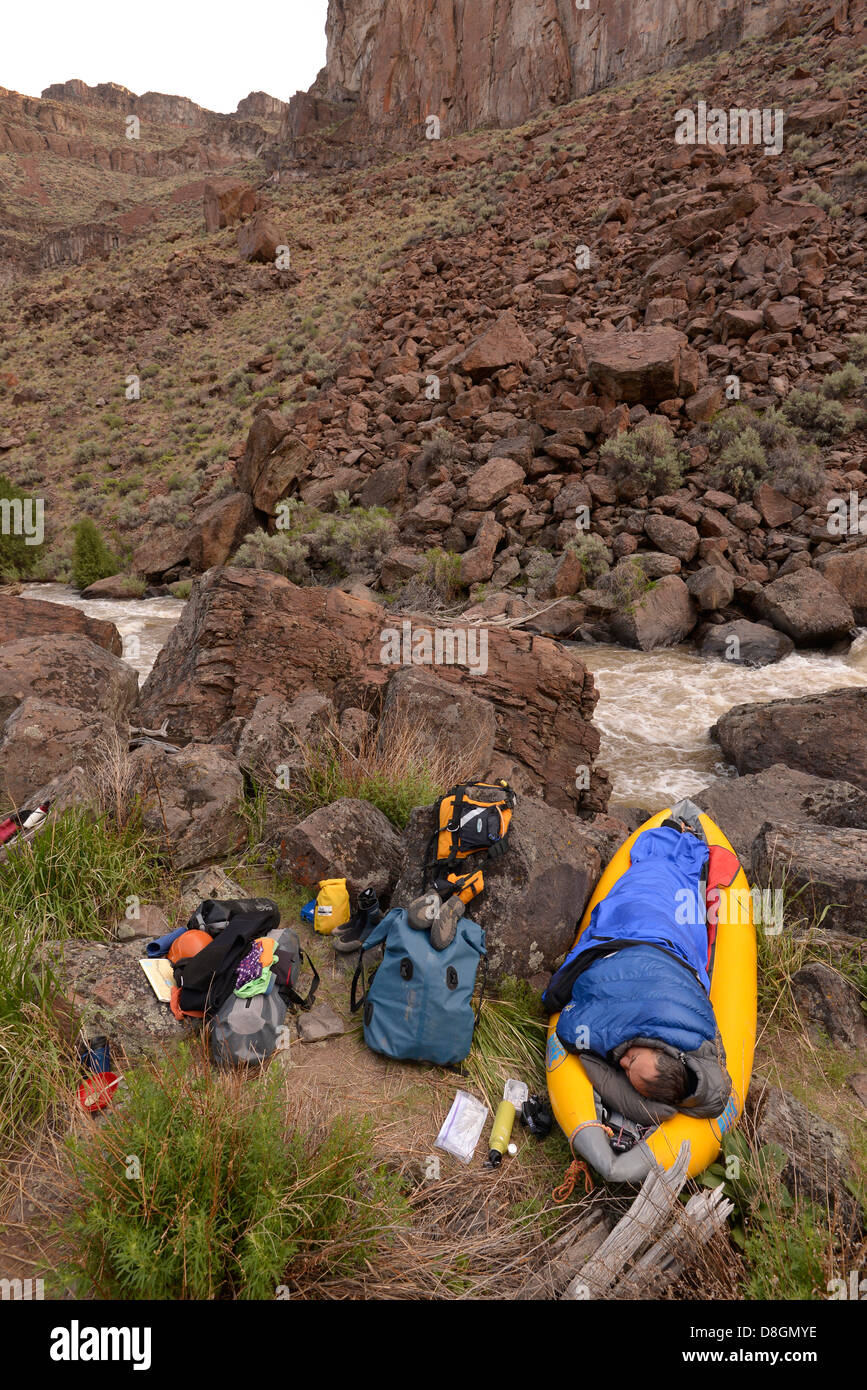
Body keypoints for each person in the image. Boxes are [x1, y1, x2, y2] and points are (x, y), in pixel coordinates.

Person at [543, 821, 732, 1124]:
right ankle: (671, 832)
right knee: (656, 881)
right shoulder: (697, 1034)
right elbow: (568, 1028)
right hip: (646, 937)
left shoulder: (697, 1044)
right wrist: (644, 1106)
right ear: (669, 1056)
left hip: (662, 941)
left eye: (627, 1070)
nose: (626, 1060)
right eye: (635, 1060)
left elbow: (570, 1032)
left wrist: (644, 1107)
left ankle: (673, 834)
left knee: (668, 883)